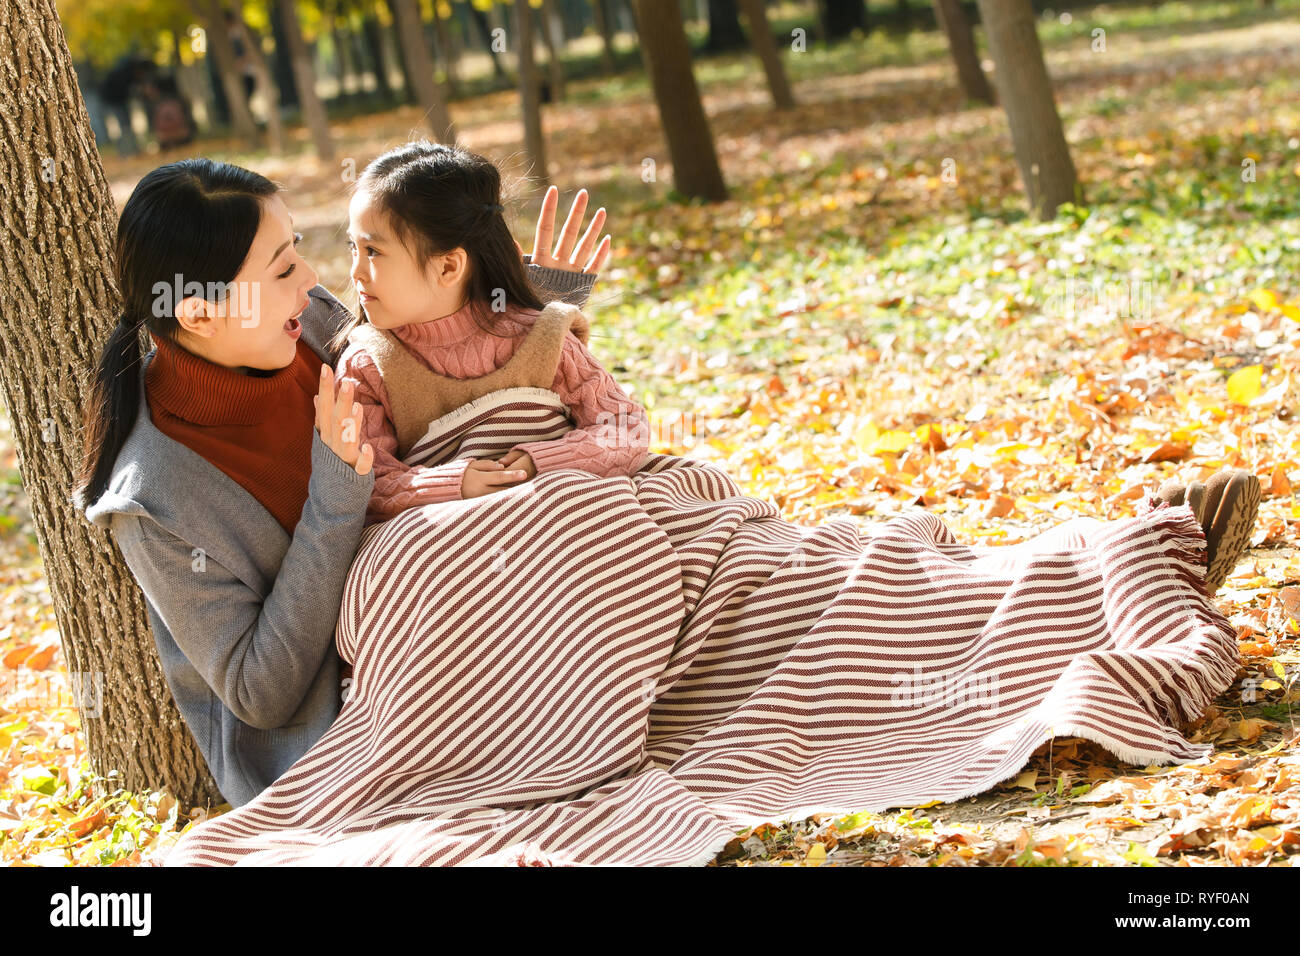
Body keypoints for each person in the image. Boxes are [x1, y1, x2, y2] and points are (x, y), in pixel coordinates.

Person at [73, 158, 606, 808]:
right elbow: (261, 694)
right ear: (201, 314)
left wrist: (522, 318)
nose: (312, 279)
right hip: (352, 731)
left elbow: (434, 378)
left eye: (295, 248)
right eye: (281, 269)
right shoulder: (155, 496)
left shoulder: (311, 328)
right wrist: (335, 498)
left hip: (474, 611)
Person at [331, 143, 633, 525]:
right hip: (452, 536)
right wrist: (453, 484)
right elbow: (363, 484)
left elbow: (624, 428)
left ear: (448, 267)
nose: (355, 271)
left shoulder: (539, 335)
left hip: (561, 518)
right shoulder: (366, 366)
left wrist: (541, 462)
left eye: (373, 251)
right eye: (353, 247)